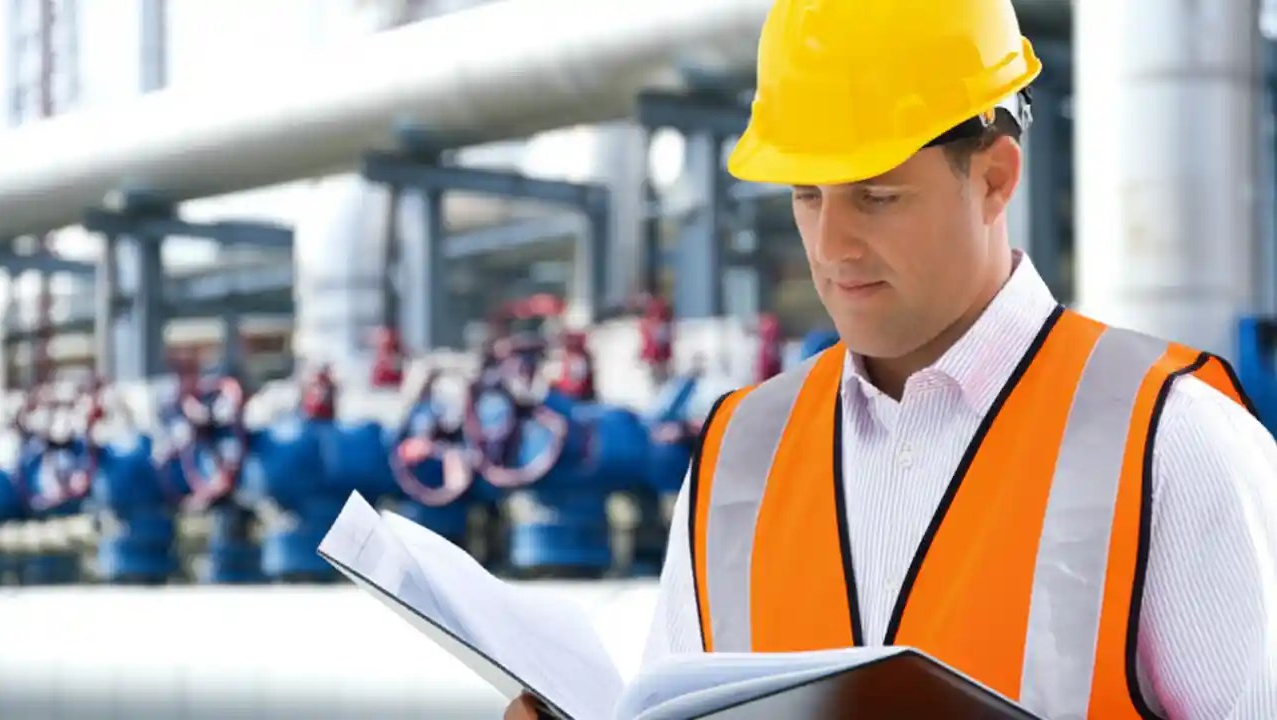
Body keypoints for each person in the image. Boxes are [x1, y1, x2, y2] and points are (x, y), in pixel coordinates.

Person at [507, 1, 1277, 718]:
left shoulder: (1174, 442)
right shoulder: (739, 453)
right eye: (807, 194)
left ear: (994, 178)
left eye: (876, 196)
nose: (831, 247)